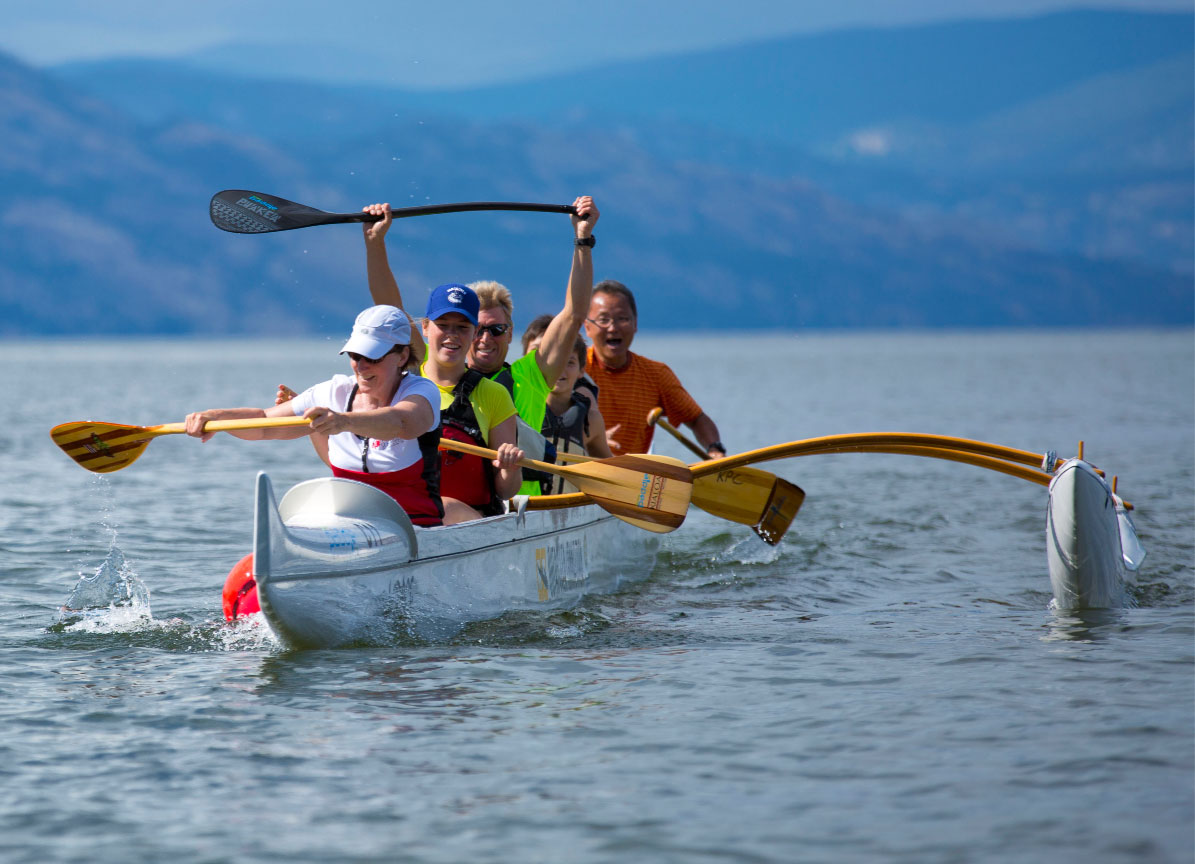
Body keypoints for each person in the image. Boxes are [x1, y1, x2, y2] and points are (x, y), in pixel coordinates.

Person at [360, 196, 598, 495]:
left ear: (510, 334)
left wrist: (583, 238)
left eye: (497, 330)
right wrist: (374, 242)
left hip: (521, 510)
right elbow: (390, 309)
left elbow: (574, 314)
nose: (486, 339)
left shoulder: (531, 376)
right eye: (480, 329)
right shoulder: (427, 366)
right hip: (443, 504)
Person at [185, 305, 445, 526]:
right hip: (352, 525)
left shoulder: (421, 392)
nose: (361, 365)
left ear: (402, 356)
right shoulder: (332, 392)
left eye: (372, 356)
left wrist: (342, 421)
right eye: (355, 355)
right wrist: (216, 417)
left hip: (416, 527)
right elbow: (264, 423)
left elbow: (402, 423)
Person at [411, 281, 525, 523]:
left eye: (462, 327)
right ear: (425, 327)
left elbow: (506, 491)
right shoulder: (401, 386)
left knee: (446, 508)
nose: (452, 335)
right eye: (443, 325)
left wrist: (509, 468)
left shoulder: (494, 395)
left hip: (469, 524)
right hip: (409, 518)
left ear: (474, 333)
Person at [583, 280, 726, 459]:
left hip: (634, 477)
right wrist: (592, 439)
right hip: (580, 470)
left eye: (622, 319)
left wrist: (715, 449)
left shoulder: (655, 375)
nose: (613, 328)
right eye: (604, 320)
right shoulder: (575, 370)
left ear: (635, 324)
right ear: (587, 326)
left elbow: (696, 419)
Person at [521, 318, 612, 494]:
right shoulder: (518, 411)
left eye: (569, 362)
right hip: (529, 511)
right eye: (554, 361)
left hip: (570, 513)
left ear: (581, 371)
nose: (560, 369)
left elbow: (609, 469)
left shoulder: (590, 420)